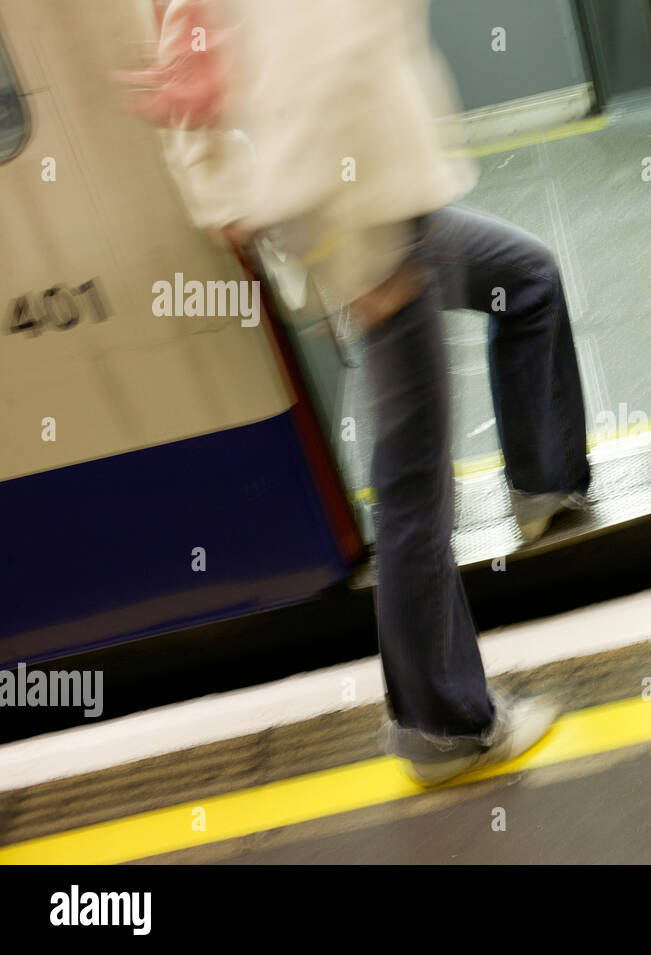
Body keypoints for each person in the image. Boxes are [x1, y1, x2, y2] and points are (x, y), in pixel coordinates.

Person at [121, 0, 590, 783]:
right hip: (375, 227)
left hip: (398, 209)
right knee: (413, 485)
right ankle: (441, 725)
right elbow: (308, 83)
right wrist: (347, 254)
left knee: (527, 276)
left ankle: (542, 484)